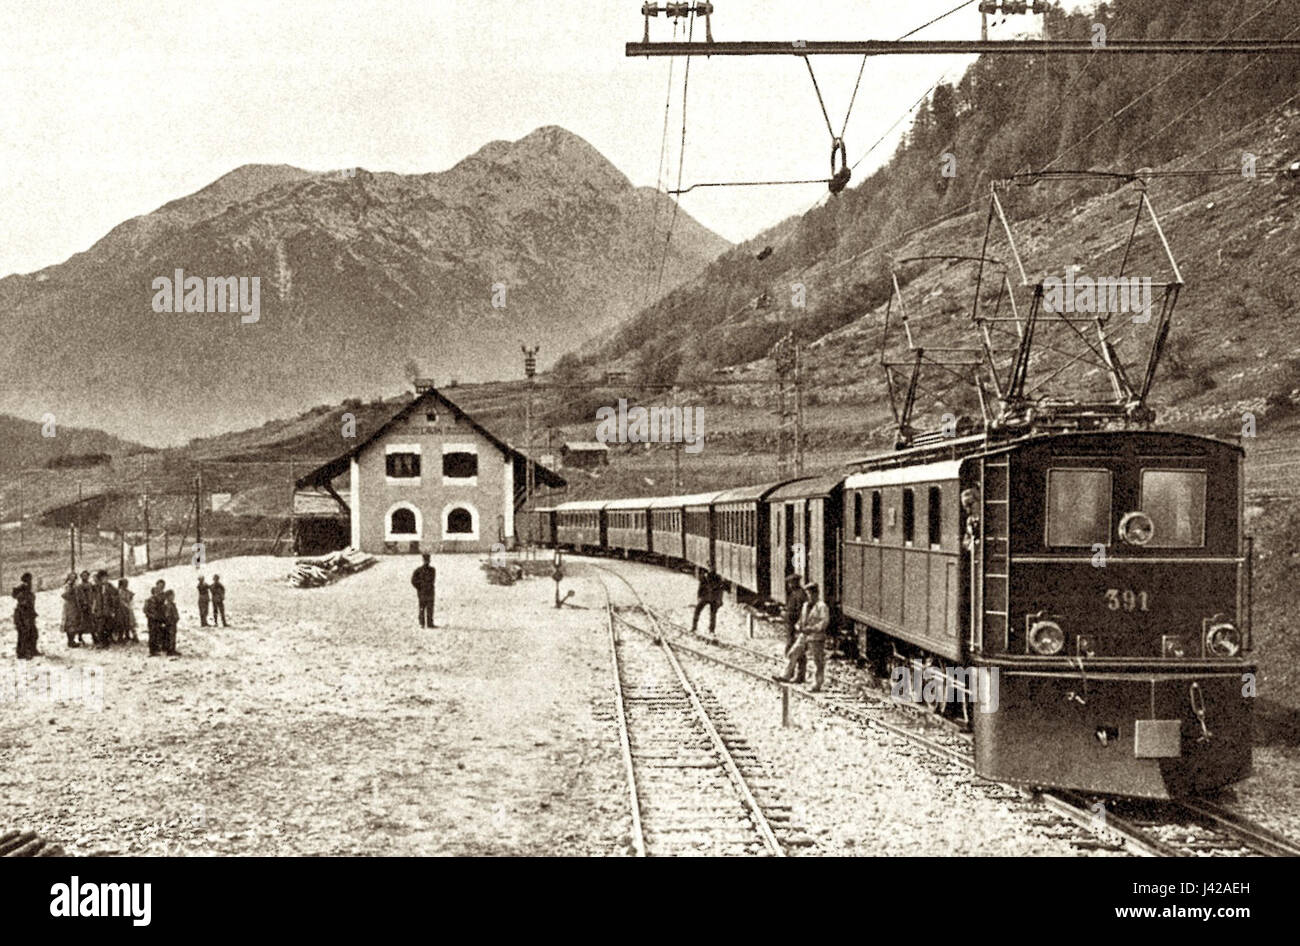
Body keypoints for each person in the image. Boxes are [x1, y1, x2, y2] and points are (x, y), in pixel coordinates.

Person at [773, 582, 830, 692]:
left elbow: (824, 622)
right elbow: (801, 619)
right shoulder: (805, 605)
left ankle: (816, 684)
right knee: (793, 653)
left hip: (816, 636)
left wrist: (812, 628)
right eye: (808, 594)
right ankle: (785, 675)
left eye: (811, 594)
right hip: (804, 634)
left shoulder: (822, 606)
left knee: (817, 661)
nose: (809, 596)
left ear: (816, 594)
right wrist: (798, 625)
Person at [782, 574, 808, 684]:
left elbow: (799, 612)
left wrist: (786, 614)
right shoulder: (795, 594)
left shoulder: (799, 595)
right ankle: (793, 674)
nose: (789, 585)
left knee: (796, 651)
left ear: (794, 583)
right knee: (794, 651)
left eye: (790, 583)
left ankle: (797, 675)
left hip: (795, 627)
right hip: (791, 626)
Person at [12, 572, 38, 659]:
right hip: (22, 615)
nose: (30, 582)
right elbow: (17, 597)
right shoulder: (22, 589)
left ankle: (32, 650)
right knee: (24, 633)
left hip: (29, 614)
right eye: (28, 580)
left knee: (33, 633)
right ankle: (23, 652)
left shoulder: (28, 590)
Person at [691, 570, 723, 636]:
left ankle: (695, 628)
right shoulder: (717, 578)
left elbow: (700, 587)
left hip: (708, 597)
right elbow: (720, 590)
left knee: (699, 611)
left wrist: (699, 596)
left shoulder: (706, 576)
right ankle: (710, 631)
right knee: (712, 614)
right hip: (711, 598)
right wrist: (719, 600)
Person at [411, 553, 437, 628]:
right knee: (422, 607)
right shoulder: (418, 570)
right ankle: (422, 623)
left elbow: (432, 580)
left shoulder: (432, 570)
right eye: (425, 560)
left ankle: (429, 623)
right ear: (423, 560)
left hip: (429, 591)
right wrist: (419, 587)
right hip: (423, 592)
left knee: (430, 608)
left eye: (427, 560)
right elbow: (413, 581)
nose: (426, 562)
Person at [144, 581, 166, 656]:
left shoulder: (161, 598)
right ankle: (152, 650)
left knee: (158, 632)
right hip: (152, 619)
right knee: (152, 634)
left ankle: (158, 648)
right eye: (156, 591)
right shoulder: (149, 600)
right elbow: (145, 610)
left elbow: (162, 608)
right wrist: (150, 615)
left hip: (159, 618)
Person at [61, 572, 81, 648]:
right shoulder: (67, 586)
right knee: (70, 622)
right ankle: (70, 641)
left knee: (74, 622)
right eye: (71, 577)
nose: (73, 579)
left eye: (74, 577)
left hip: (75, 605)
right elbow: (64, 595)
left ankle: (72, 640)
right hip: (69, 606)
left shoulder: (75, 585)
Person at [73, 571, 92, 645]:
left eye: (86, 576)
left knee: (91, 621)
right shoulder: (79, 586)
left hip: (90, 605)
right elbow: (79, 596)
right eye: (83, 576)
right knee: (82, 621)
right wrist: (82, 604)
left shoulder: (90, 584)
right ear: (81, 577)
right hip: (83, 606)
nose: (85, 577)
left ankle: (93, 636)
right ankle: (80, 636)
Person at [163, 590, 181, 656]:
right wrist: (171, 621)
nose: (173, 597)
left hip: (172, 623)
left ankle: (172, 649)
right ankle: (170, 650)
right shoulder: (169, 605)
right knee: (171, 636)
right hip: (171, 623)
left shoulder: (171, 604)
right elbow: (167, 615)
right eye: (172, 595)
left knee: (172, 636)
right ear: (168, 597)